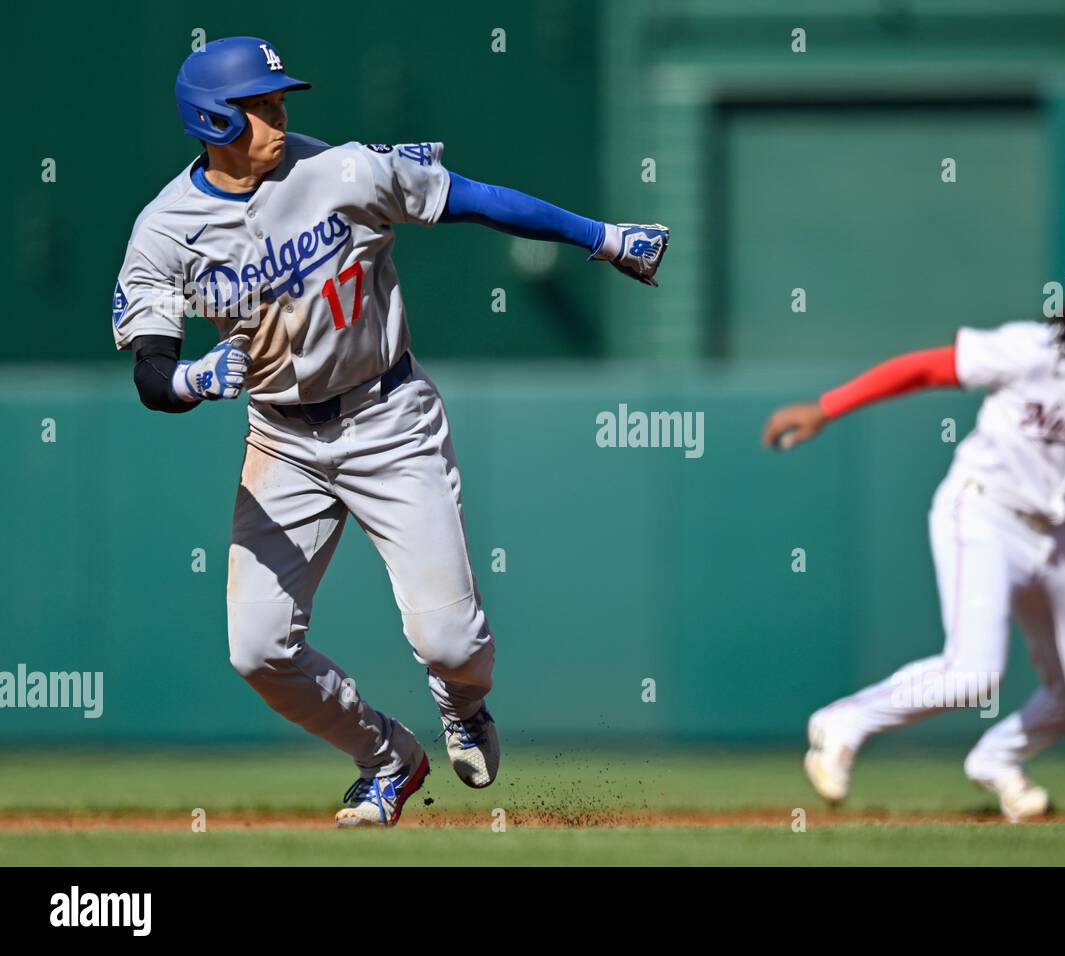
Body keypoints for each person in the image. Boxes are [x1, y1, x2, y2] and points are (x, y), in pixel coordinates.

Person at [112, 37, 668, 827]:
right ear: (211, 119)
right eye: (259, 107)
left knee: (452, 645)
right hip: (282, 441)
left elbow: (471, 196)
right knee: (257, 650)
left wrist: (602, 237)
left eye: (279, 102)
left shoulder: (343, 170)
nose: (278, 118)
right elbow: (149, 371)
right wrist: (189, 380)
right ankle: (387, 759)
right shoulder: (165, 230)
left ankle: (461, 703)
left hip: (388, 418)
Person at [762, 238, 1065, 821]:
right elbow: (925, 368)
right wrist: (827, 407)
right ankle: (842, 723)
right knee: (973, 674)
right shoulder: (1030, 350)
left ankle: (998, 760)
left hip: (1053, 534)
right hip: (982, 510)